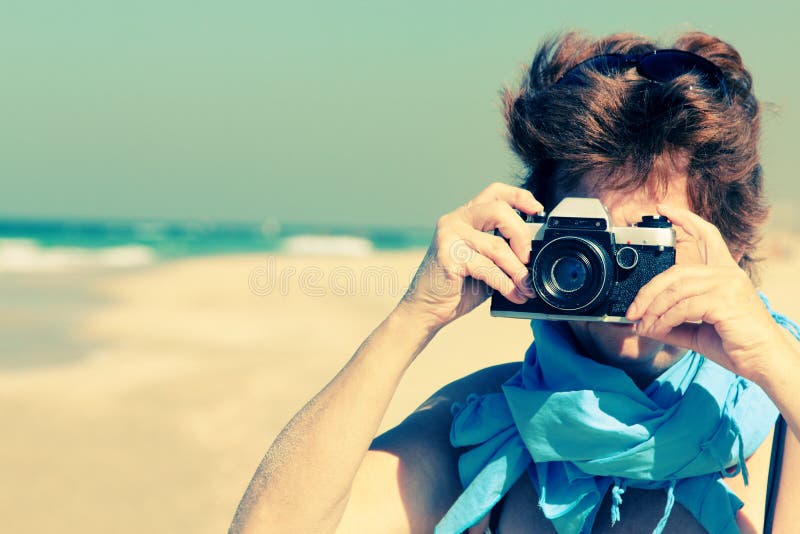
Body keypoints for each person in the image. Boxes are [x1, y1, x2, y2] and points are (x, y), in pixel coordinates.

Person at [230, 31, 800, 533]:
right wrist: (412, 317)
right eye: (596, 242)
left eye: (652, 240)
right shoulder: (493, 423)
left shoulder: (780, 420)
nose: (621, 274)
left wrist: (772, 359)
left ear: (733, 243)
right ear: (543, 236)